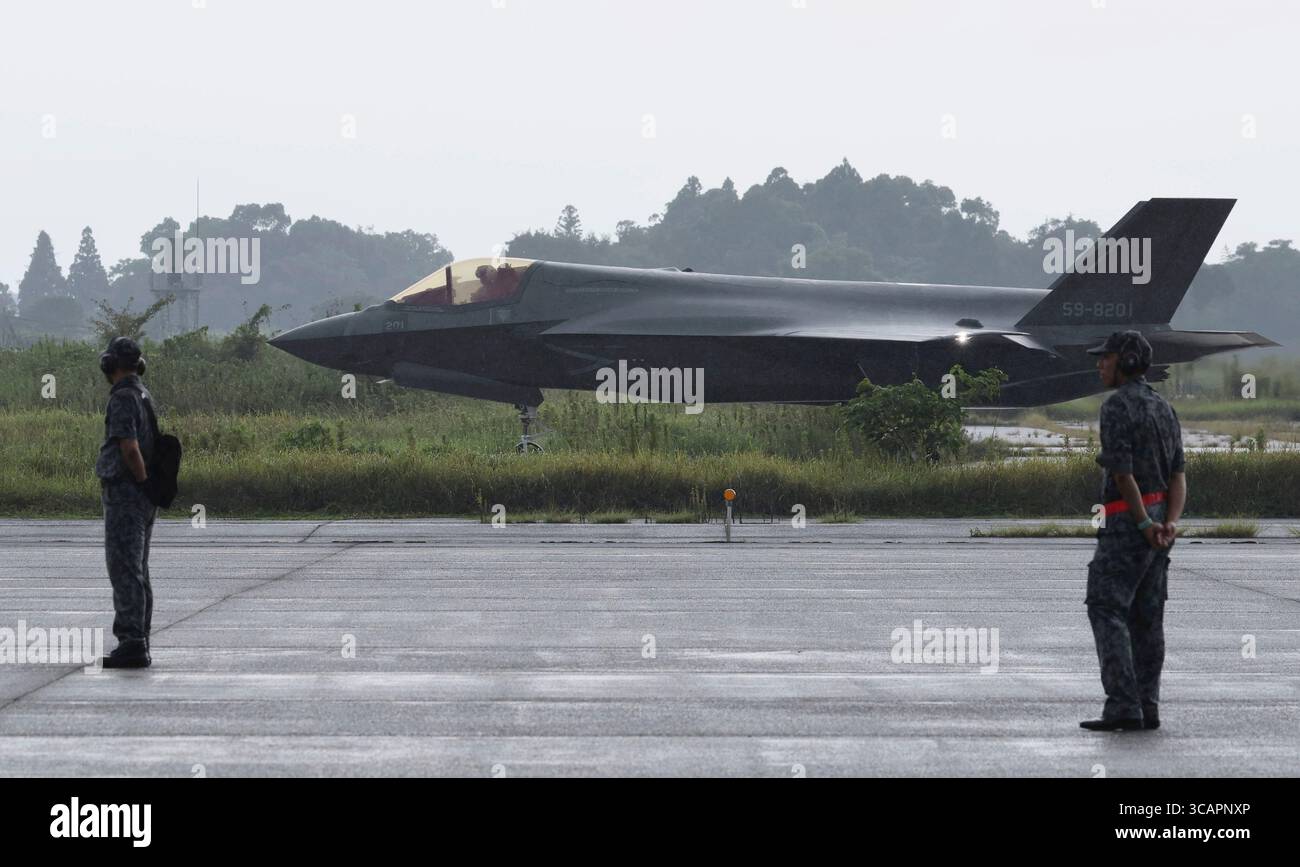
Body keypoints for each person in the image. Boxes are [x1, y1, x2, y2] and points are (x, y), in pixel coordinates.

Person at [1080, 330, 1186, 732]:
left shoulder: (1116, 407)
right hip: (1161, 520)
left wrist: (1143, 524)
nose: (1099, 364)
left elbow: (1123, 475)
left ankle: (1123, 705)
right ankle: (1148, 704)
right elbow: (1178, 475)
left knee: (1106, 607)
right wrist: (1169, 523)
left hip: (1128, 521)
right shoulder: (1164, 407)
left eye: (1105, 358)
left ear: (1124, 362)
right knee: (1148, 616)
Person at [95, 336, 158, 669]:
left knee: (124, 570)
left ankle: (132, 642)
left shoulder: (123, 397)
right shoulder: (144, 394)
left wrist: (140, 481)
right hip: (142, 497)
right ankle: (140, 639)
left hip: (126, 493)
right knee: (138, 570)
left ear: (110, 364)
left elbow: (130, 448)